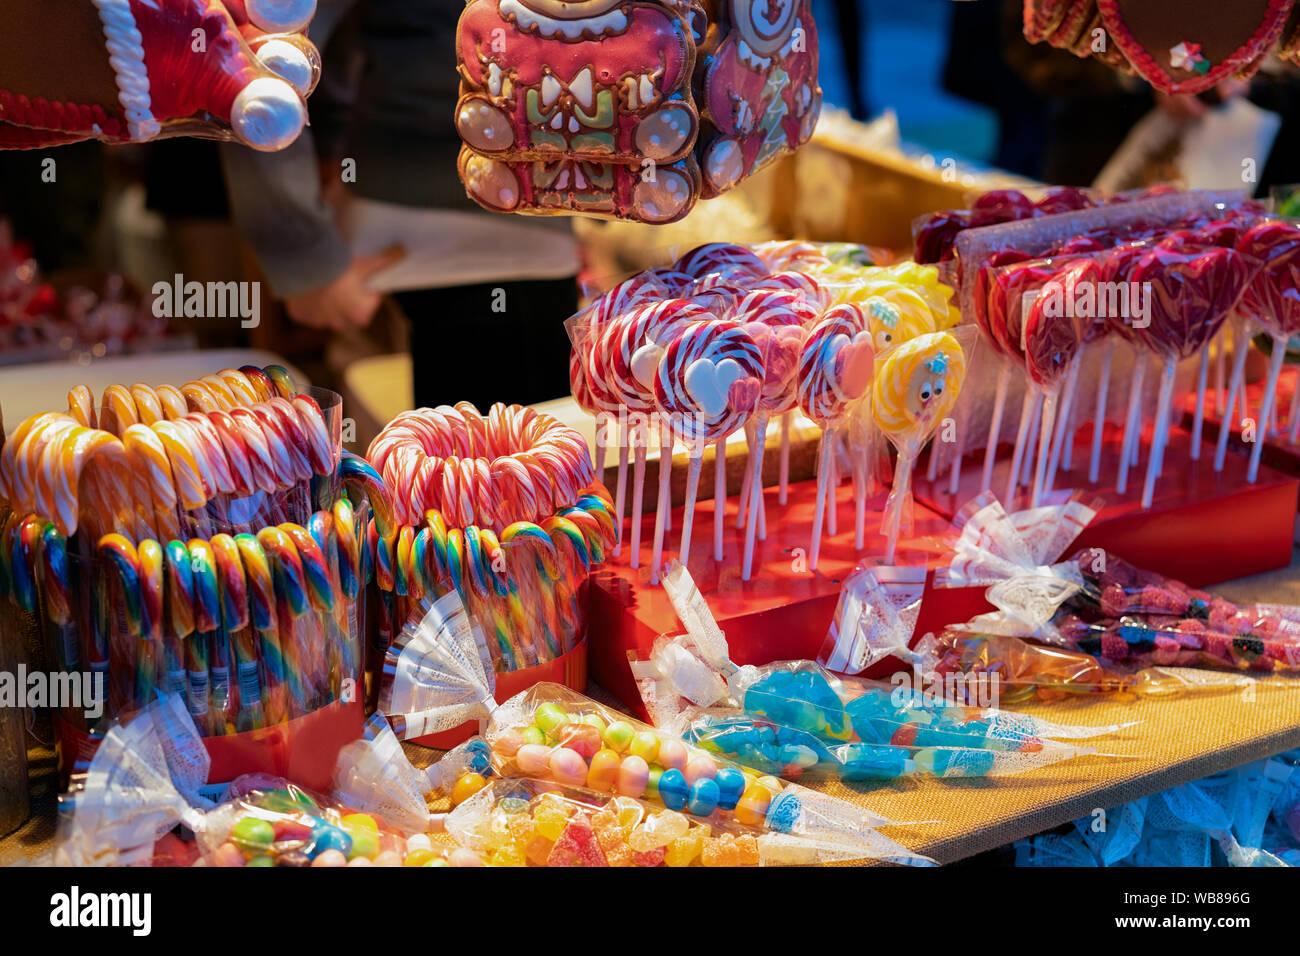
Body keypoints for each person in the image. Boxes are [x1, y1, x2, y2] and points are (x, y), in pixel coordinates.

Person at [220, 0, 580, 411]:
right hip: (449, 250)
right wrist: (302, 248)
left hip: (509, 234)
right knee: (474, 467)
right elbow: (262, 44)